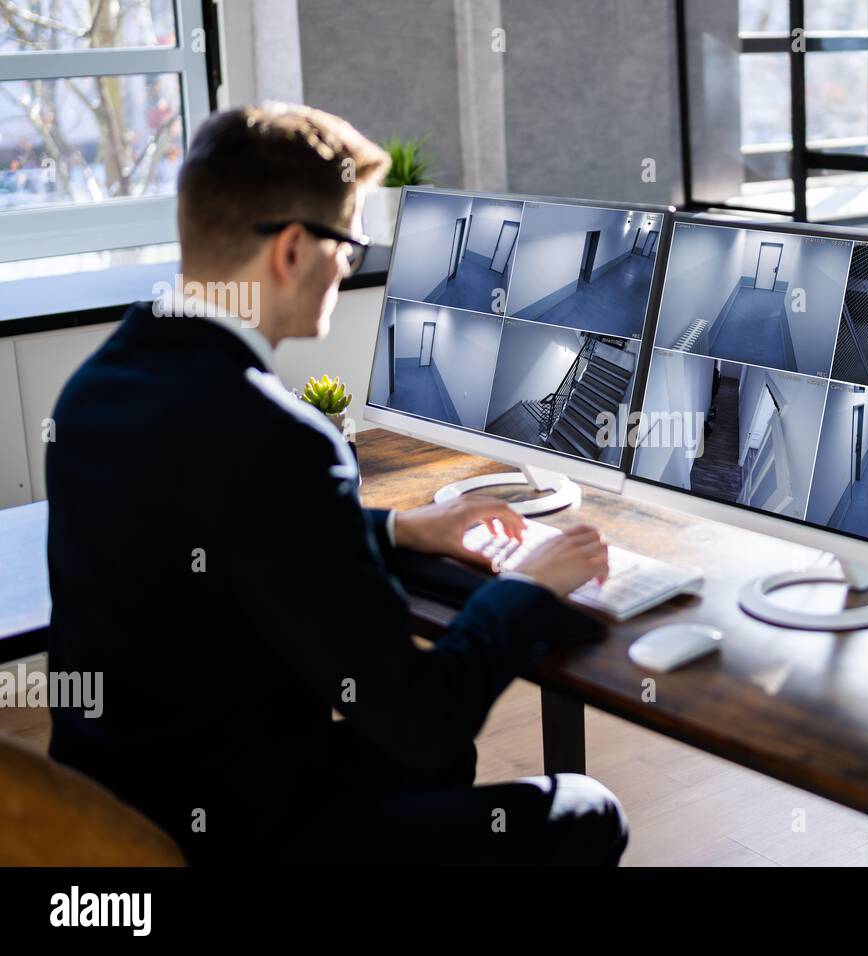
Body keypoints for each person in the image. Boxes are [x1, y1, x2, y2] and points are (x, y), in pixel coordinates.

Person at [44, 104, 627, 866]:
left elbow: (217, 530)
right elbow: (423, 715)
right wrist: (532, 587)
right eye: (348, 241)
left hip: (103, 818)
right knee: (585, 809)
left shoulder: (93, 389)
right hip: (240, 838)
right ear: (292, 249)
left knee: (424, 768)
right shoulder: (278, 439)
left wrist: (393, 529)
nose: (349, 263)